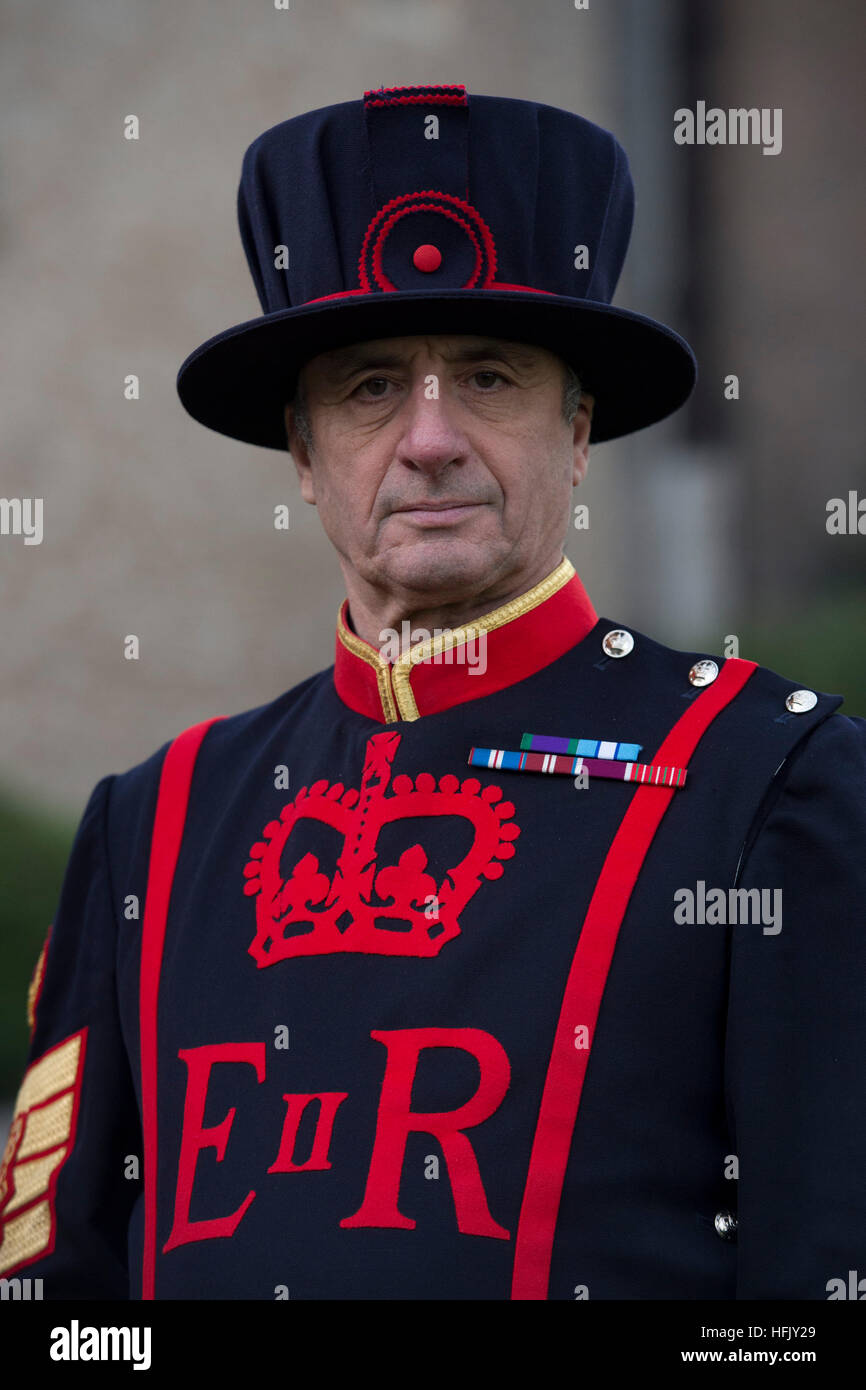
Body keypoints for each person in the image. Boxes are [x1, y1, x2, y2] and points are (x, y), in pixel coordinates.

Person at [2, 84, 864, 1302]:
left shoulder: (768, 781)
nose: (427, 437)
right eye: (366, 387)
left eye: (490, 375)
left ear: (577, 429)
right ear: (302, 455)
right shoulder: (151, 825)